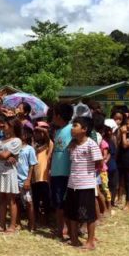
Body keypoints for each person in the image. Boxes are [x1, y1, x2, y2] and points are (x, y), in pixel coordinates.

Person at [65, 116, 103, 249]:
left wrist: (91, 178)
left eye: (75, 125)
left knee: (88, 214)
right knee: (72, 213)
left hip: (86, 185)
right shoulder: (73, 144)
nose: (72, 128)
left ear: (84, 129)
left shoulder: (91, 144)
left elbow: (99, 162)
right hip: (72, 184)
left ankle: (90, 241)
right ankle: (74, 239)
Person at [0, 114, 23, 233]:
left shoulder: (17, 141)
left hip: (9, 172)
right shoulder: (1, 140)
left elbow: (2, 155)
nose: (4, 126)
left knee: (11, 199)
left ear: (13, 126)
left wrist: (0, 154)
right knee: (2, 199)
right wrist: (1, 155)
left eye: (7, 124)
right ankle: (2, 225)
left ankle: (12, 226)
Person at [49, 103, 74, 240]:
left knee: (64, 204)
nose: (52, 117)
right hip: (56, 173)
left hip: (66, 173)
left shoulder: (71, 129)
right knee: (57, 202)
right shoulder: (57, 131)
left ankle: (66, 229)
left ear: (58, 115)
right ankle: (60, 228)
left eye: (53, 114)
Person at [16, 121, 38, 231]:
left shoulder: (30, 149)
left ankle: (32, 224)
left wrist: (28, 179)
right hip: (14, 179)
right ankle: (17, 222)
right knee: (17, 202)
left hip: (24, 179)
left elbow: (32, 165)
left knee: (29, 202)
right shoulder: (15, 148)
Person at [32, 121, 53, 226]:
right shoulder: (34, 146)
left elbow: (48, 140)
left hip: (44, 177)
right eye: (36, 132)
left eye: (41, 132)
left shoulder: (49, 144)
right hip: (35, 177)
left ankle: (46, 220)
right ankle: (36, 219)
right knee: (35, 200)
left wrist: (45, 132)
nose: (38, 134)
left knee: (46, 200)